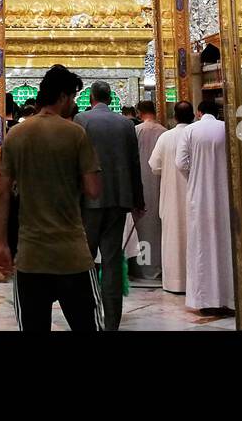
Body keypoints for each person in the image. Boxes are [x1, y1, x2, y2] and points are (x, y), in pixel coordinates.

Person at [0, 65, 103, 332]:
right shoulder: (75, 133)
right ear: (64, 96)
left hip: (32, 255)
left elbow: (1, 192)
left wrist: (1, 243)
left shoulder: (16, 135)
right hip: (72, 254)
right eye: (74, 98)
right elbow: (93, 189)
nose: (74, 103)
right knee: (87, 325)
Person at [75, 81, 145, 330]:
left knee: (85, 258)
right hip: (118, 200)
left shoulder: (81, 120)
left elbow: (76, 162)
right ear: (109, 98)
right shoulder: (125, 124)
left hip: (89, 200)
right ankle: (112, 320)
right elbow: (134, 163)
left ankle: (85, 314)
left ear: (91, 97)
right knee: (113, 259)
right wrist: (138, 200)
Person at [177, 99, 234, 316]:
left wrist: (196, 177)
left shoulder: (190, 131)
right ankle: (227, 298)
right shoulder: (227, 129)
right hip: (224, 195)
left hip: (199, 197)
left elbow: (181, 163)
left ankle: (204, 299)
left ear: (199, 112)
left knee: (202, 246)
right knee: (224, 244)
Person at [148, 100, 193, 294]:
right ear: (193, 116)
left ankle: (175, 283)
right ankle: (194, 283)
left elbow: (154, 166)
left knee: (173, 238)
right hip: (193, 197)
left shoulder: (166, 137)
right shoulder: (195, 134)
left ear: (174, 117)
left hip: (171, 197)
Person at [133, 100, 165, 281]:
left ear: (139, 112)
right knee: (157, 228)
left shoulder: (137, 131)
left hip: (141, 188)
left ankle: (143, 268)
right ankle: (157, 267)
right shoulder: (164, 132)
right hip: (160, 187)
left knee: (143, 229)